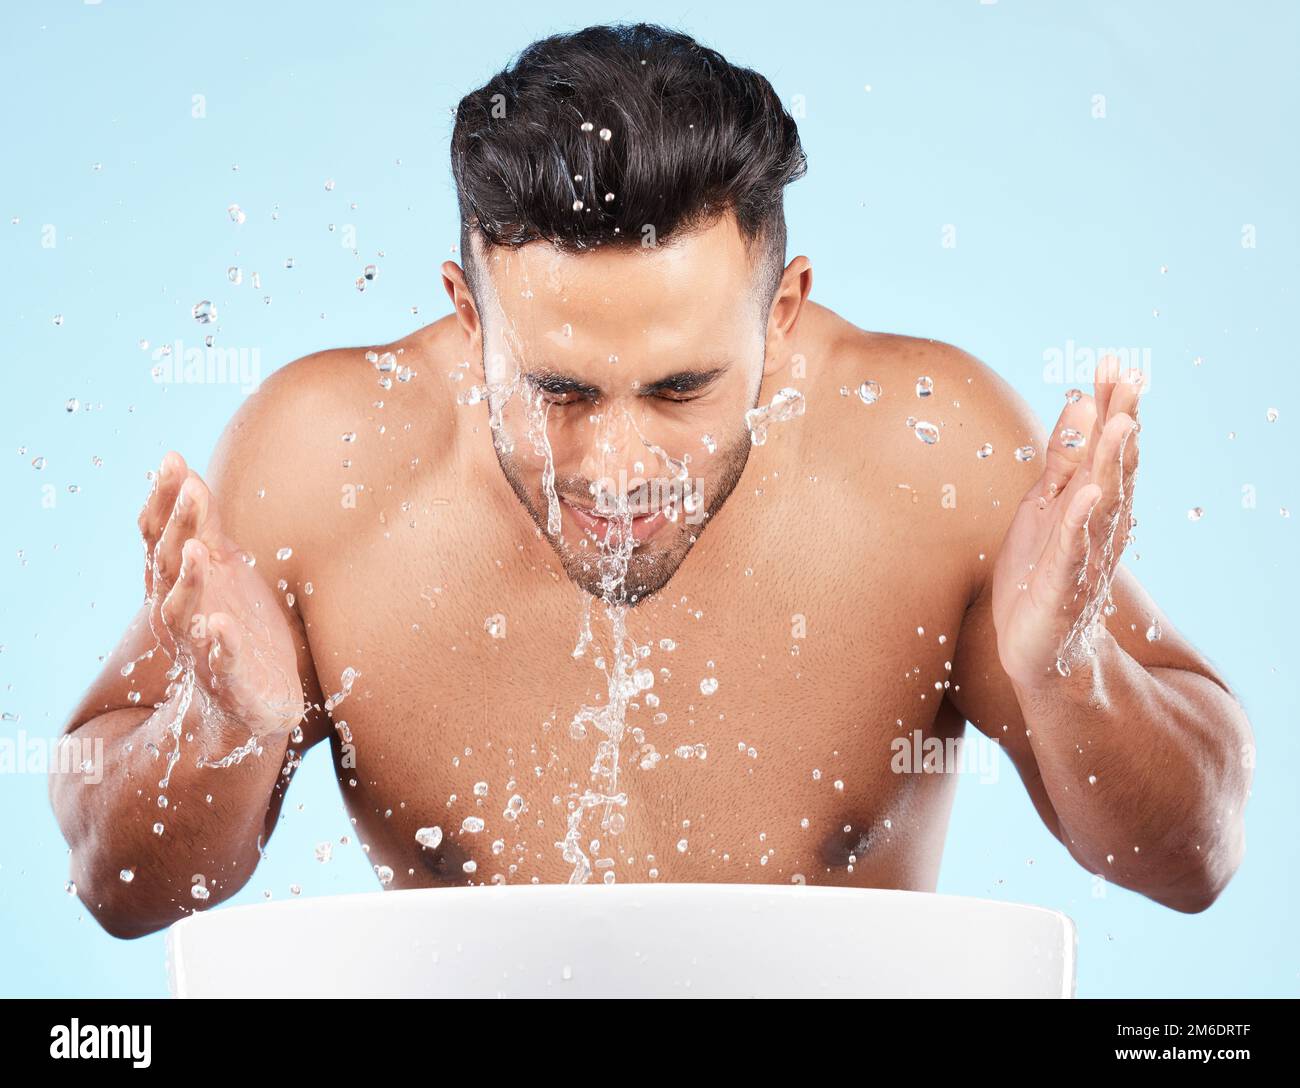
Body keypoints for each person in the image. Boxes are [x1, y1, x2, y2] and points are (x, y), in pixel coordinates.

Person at [52, 23, 1251, 938]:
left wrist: (1069, 668)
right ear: (468, 321)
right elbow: (117, 884)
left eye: (680, 389)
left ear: (780, 316)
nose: (618, 469)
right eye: (561, 392)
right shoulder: (323, 463)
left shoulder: (924, 451)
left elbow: (1194, 855)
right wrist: (216, 730)